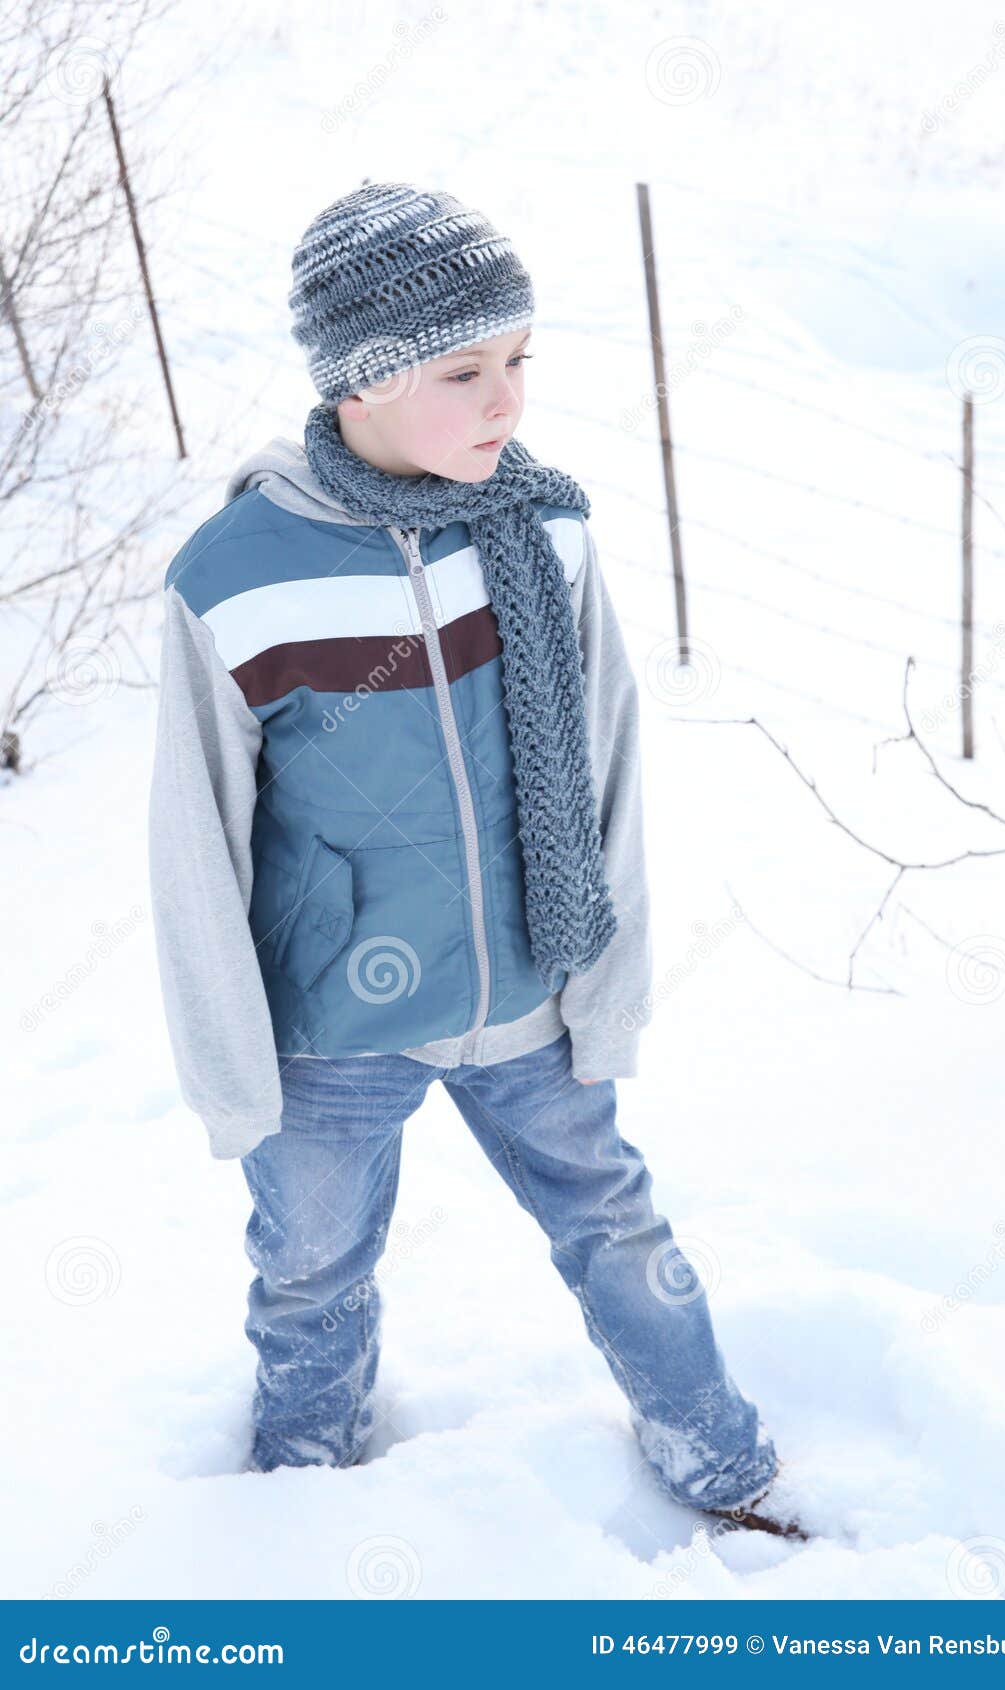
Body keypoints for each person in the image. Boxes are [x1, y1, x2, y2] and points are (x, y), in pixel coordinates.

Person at [147, 182, 800, 1537]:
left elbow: (609, 765)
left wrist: (604, 989)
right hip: (332, 1027)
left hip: (528, 995)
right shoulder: (236, 577)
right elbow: (192, 844)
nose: (507, 401)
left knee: (615, 1224)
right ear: (364, 383)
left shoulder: (542, 533)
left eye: (519, 361)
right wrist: (233, 1071)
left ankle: (723, 1465)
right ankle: (302, 1505)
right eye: (465, 370)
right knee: (311, 1266)